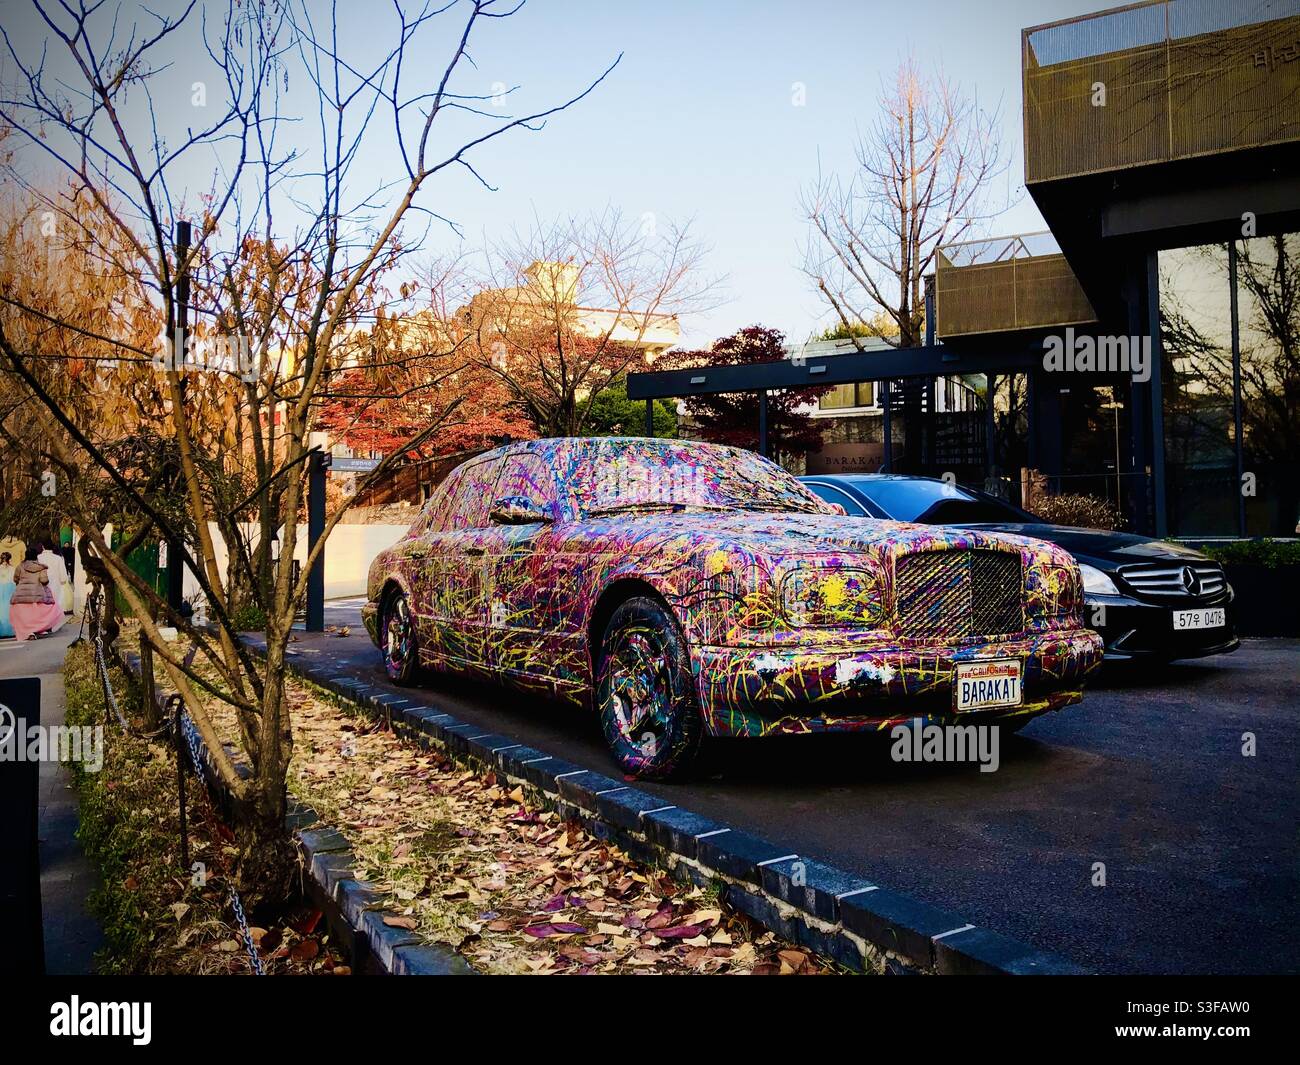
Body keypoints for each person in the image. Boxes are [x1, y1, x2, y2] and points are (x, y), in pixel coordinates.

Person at [10, 546, 65, 640]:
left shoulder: (20, 566)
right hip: (37, 594)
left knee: (23, 614)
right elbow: (44, 581)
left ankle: (28, 631)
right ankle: (38, 629)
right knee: (40, 613)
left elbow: (15, 579)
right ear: (36, 556)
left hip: (21, 595)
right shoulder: (41, 567)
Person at [36, 539, 72, 615]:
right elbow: (62, 572)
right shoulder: (58, 558)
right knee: (55, 600)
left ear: (43, 547)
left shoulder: (38, 557)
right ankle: (53, 617)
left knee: (43, 601)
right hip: (56, 583)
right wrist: (63, 580)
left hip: (41, 582)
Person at [0, 551, 14, 639]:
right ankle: (10, 629)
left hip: (1, 588)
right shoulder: (12, 568)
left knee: (1, 610)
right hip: (10, 588)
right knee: (9, 609)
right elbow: (14, 579)